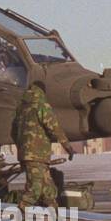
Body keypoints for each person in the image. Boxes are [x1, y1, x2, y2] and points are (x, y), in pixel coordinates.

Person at [11, 81, 73, 213]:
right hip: (37, 154)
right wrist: (67, 146)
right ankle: (19, 218)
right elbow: (54, 128)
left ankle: (56, 220)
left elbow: (13, 132)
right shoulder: (41, 106)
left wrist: (22, 147)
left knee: (48, 190)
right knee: (35, 189)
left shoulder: (22, 108)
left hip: (27, 155)